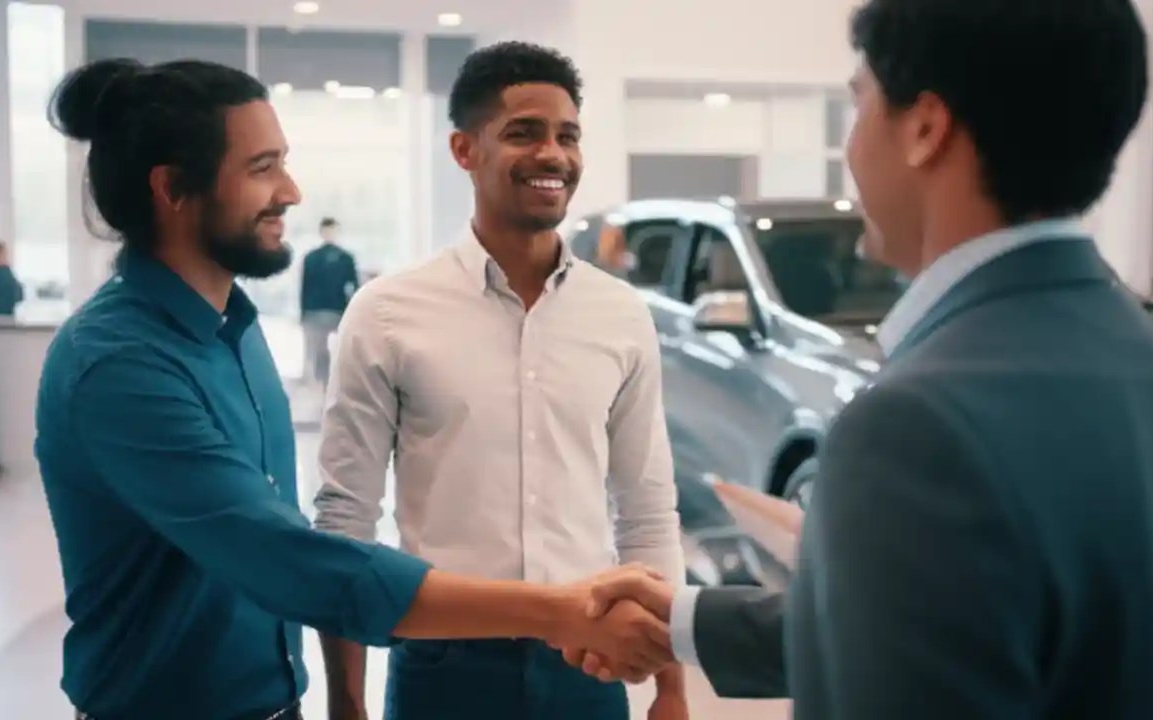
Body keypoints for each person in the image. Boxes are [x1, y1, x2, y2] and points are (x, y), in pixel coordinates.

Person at [579, 1, 1153, 718]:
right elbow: (977, 633)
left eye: (858, 106)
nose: (851, 150)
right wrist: (687, 621)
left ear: (925, 128)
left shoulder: (918, 426)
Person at [35, 57, 671, 720]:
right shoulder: (117, 365)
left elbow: (647, 503)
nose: (291, 191)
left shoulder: (236, 334)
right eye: (262, 168)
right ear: (172, 189)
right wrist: (561, 611)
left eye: (282, 161)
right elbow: (294, 560)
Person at [313, 41, 688, 720]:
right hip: (441, 668)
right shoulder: (389, 312)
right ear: (464, 150)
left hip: (589, 664)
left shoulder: (620, 314)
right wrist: (345, 703)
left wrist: (672, 686)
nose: (554, 155)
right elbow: (345, 524)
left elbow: (647, 508)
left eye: (568, 136)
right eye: (524, 132)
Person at [299, 217, 358, 385]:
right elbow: (305, 286)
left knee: (324, 351)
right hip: (327, 310)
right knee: (322, 351)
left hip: (328, 310)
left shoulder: (315, 257)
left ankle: (327, 382)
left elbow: (354, 287)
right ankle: (327, 383)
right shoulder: (343, 258)